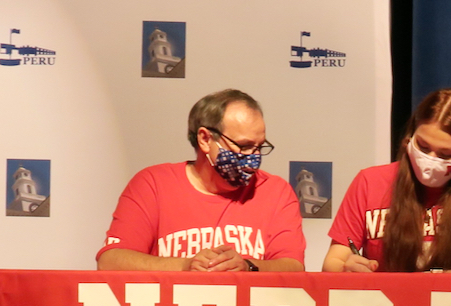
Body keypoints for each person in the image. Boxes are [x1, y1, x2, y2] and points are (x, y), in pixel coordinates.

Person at [97, 89, 305, 271]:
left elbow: (293, 266)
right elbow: (111, 260)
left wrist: (248, 266)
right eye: (243, 146)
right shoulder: (153, 184)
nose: (254, 157)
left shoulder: (275, 191)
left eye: (260, 147)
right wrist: (185, 266)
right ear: (205, 139)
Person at [323, 88, 451, 273]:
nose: (430, 160)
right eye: (423, 146)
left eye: (446, 155)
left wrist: (439, 281)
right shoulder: (369, 182)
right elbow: (333, 262)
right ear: (410, 136)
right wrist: (346, 267)